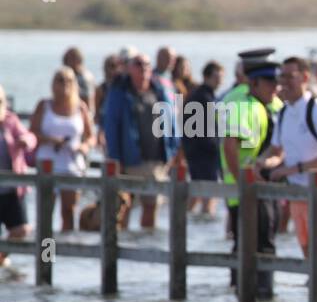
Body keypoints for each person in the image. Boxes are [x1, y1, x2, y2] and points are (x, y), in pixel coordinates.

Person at [259, 57, 317, 302]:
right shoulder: (284, 112)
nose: (283, 83)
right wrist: (263, 163)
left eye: (290, 77)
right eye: (281, 77)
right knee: (310, 258)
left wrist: (293, 169)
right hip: (298, 195)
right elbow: (277, 151)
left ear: (305, 78)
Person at [219, 53, 282, 300]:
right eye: (269, 83)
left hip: (264, 188)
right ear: (253, 82)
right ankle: (254, 292)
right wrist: (243, 182)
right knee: (253, 244)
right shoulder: (241, 103)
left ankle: (255, 292)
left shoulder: (270, 103)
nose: (275, 88)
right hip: (246, 190)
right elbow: (230, 145)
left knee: (259, 242)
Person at [100, 48, 177, 230]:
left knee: (151, 206)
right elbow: (111, 126)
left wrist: (171, 152)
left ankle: (146, 242)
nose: (143, 69)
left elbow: (172, 122)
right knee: (124, 206)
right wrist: (115, 158)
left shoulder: (160, 90)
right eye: (138, 64)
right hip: (129, 161)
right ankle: (122, 244)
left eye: (147, 65)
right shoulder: (119, 91)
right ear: (129, 68)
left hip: (155, 161)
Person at [31, 67, 94, 232]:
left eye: (69, 80)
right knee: (46, 211)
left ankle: (66, 251)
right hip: (47, 165)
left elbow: (90, 136)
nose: (65, 84)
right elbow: (32, 133)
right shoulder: (44, 105)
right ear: (53, 83)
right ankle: (46, 252)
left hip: (72, 165)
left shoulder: (81, 107)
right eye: (60, 79)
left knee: (68, 211)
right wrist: (51, 140)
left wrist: (83, 147)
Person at [180, 60, 224, 216]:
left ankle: (183, 216)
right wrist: (216, 148)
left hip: (195, 152)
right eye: (216, 77)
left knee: (196, 190)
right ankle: (206, 221)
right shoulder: (204, 97)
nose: (220, 81)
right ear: (206, 76)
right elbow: (207, 130)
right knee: (209, 194)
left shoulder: (199, 94)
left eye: (221, 78)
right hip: (204, 153)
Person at [0, 85, 36, 274]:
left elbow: (29, 136)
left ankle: (2, 256)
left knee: (23, 230)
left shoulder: (10, 121)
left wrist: (24, 141)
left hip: (13, 189)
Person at [62, 48, 96, 119]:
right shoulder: (68, 76)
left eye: (70, 59)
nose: (66, 62)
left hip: (80, 116)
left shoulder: (84, 78)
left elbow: (88, 102)